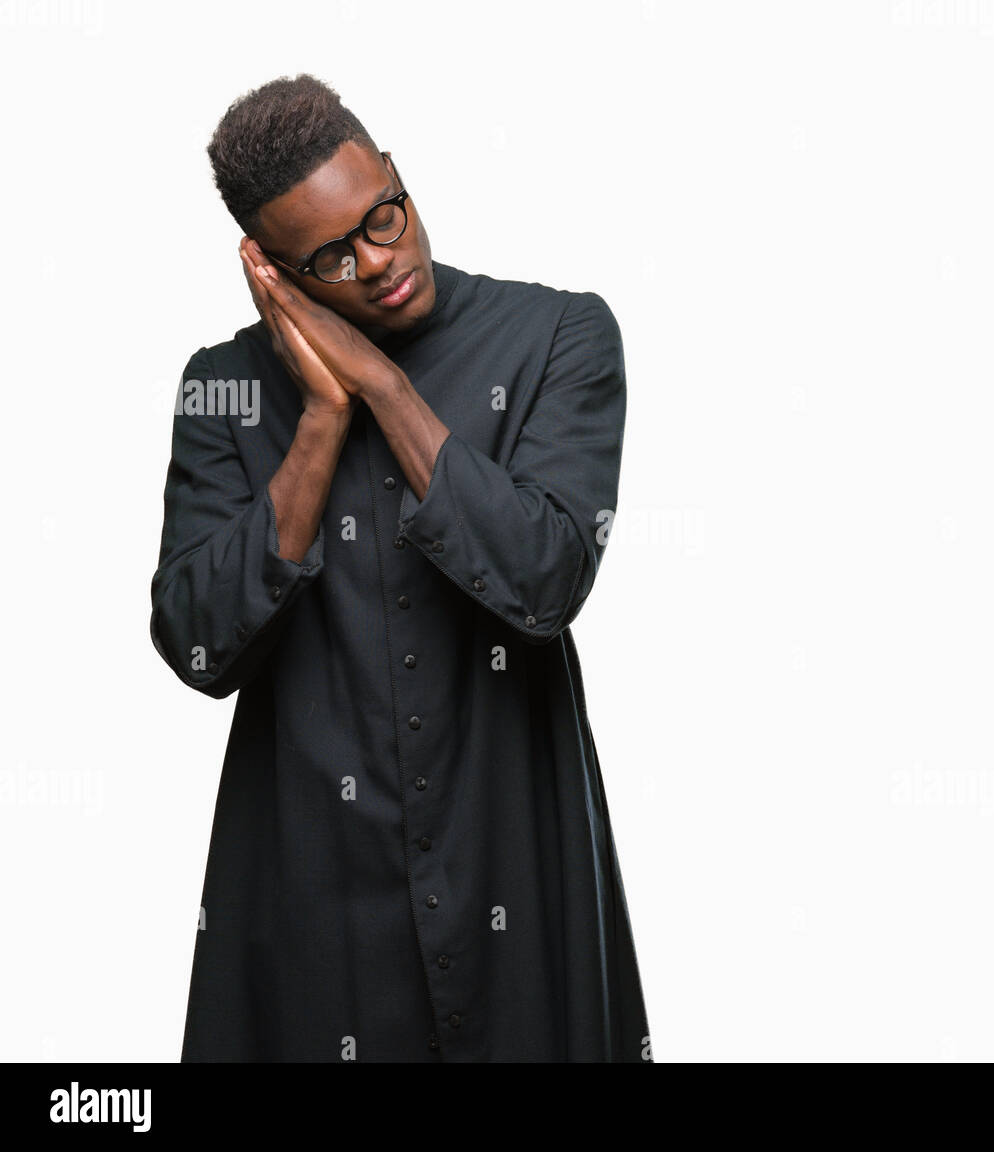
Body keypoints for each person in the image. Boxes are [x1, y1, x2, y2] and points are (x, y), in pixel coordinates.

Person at [149, 73, 652, 1062]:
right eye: (331, 258)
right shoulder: (224, 389)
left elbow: (547, 576)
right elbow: (197, 642)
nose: (378, 262)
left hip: (511, 843)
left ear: (397, 179)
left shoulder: (559, 337)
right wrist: (324, 418)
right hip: (310, 878)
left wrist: (379, 383)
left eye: (384, 217)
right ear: (273, 271)